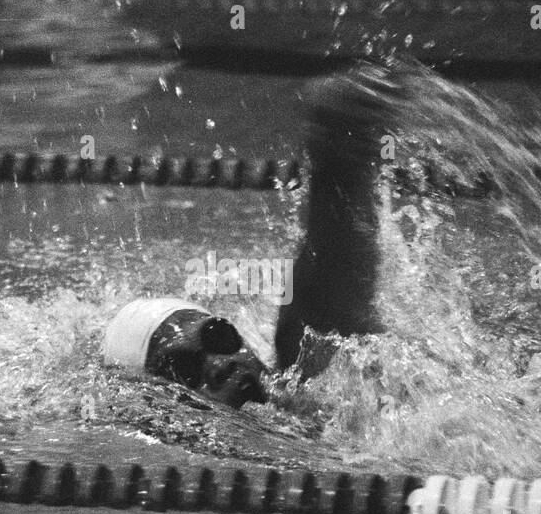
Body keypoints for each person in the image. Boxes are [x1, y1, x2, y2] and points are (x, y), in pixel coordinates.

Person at [103, 62, 402, 407]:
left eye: (218, 336)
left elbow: (324, 294)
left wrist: (340, 156)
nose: (219, 365)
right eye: (184, 370)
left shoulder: (308, 381)